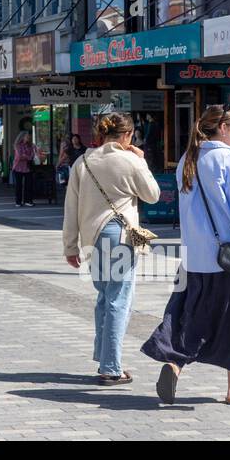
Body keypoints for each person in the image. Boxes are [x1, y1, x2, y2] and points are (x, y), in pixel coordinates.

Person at [142, 105, 230, 406]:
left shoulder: (187, 159)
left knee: (192, 317)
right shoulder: (228, 160)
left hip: (194, 259)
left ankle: (174, 364)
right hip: (227, 259)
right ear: (222, 128)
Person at [63, 113, 159, 385]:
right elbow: (152, 194)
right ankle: (110, 367)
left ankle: (104, 357)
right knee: (119, 299)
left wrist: (70, 245)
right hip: (119, 235)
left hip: (91, 237)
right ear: (127, 135)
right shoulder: (130, 161)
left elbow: (70, 207)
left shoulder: (82, 162)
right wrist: (141, 161)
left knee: (105, 297)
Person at [11, 132, 41, 206]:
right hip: (18, 167)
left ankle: (28, 200)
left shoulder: (30, 145)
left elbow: (33, 154)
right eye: (27, 136)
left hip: (28, 167)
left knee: (29, 184)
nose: (28, 137)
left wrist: (27, 156)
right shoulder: (17, 145)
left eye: (29, 136)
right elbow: (19, 156)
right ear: (22, 137)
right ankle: (18, 202)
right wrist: (28, 157)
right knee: (19, 185)